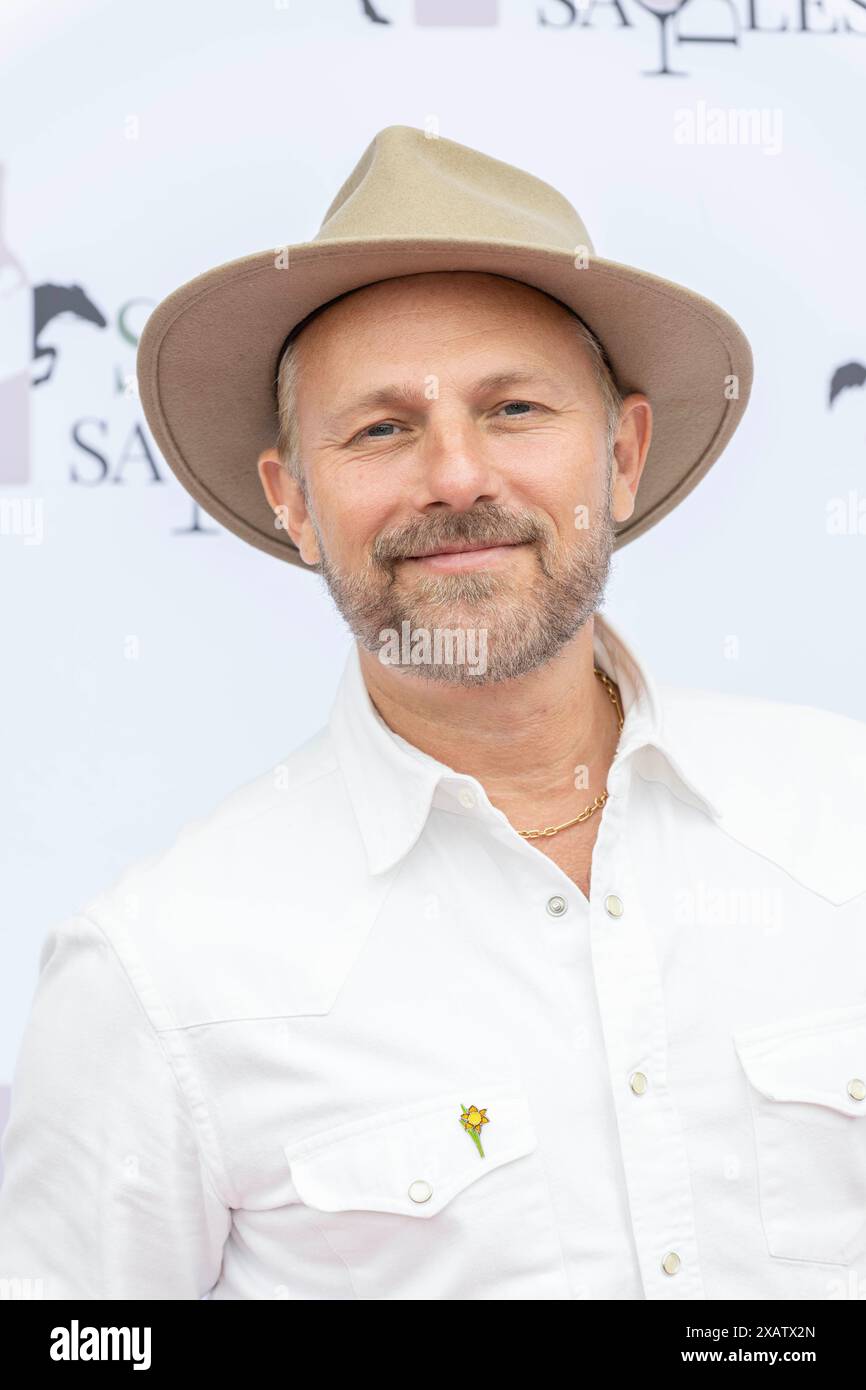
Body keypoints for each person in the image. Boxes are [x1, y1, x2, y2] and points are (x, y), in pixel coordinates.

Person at [1, 126, 864, 1302]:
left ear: (620, 454)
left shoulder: (844, 820)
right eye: (381, 429)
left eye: (512, 409)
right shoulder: (158, 969)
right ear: (293, 500)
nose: (456, 477)